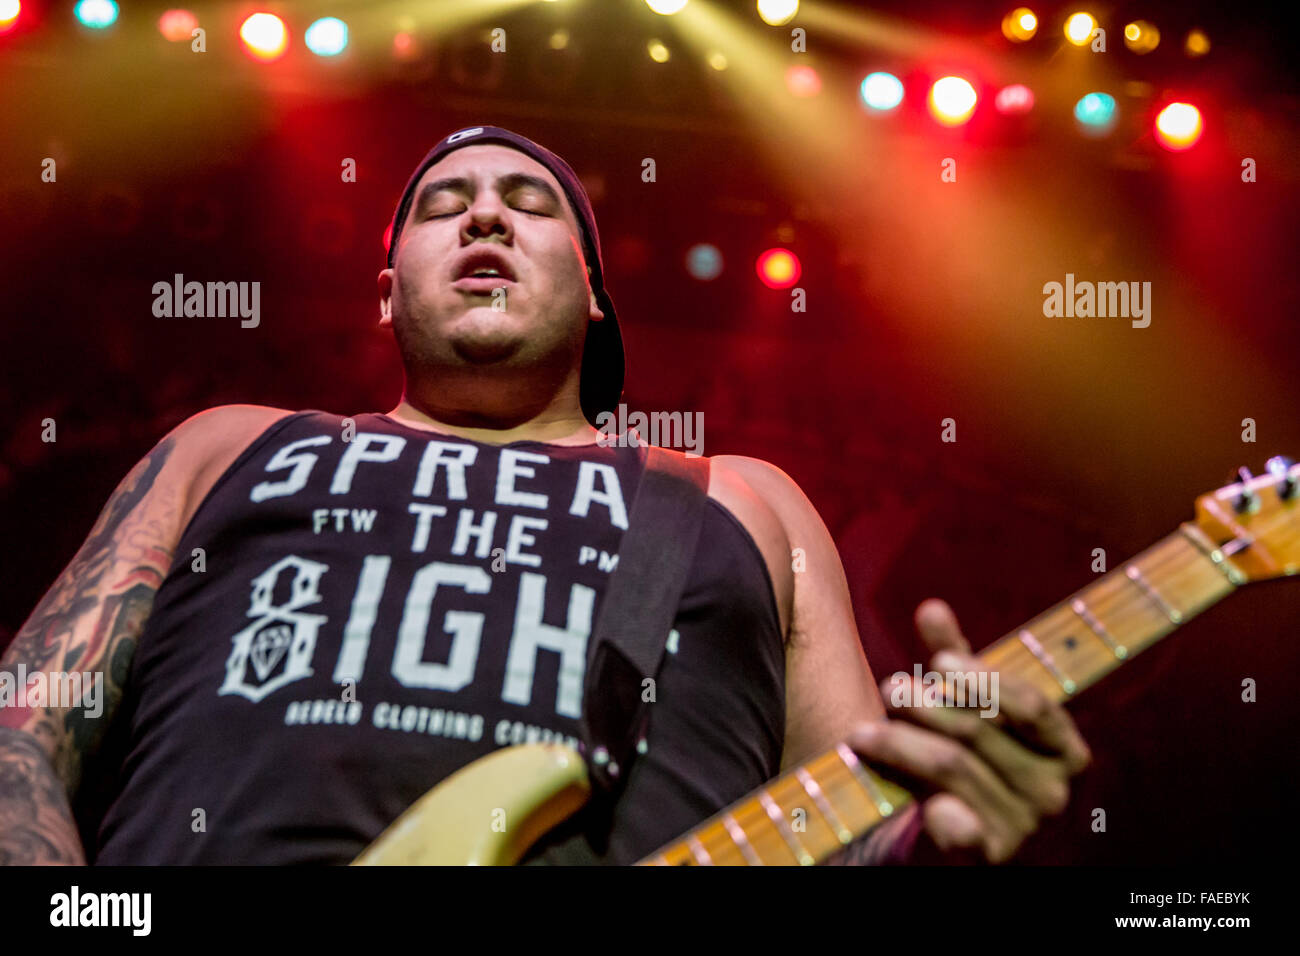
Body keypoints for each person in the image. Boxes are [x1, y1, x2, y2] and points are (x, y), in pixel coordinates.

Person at [0, 126, 1089, 866]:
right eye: (443, 207)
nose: (484, 219)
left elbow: (851, 823)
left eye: (527, 205)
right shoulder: (227, 443)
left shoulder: (744, 501)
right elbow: (23, 732)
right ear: (385, 295)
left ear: (597, 298)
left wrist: (945, 818)